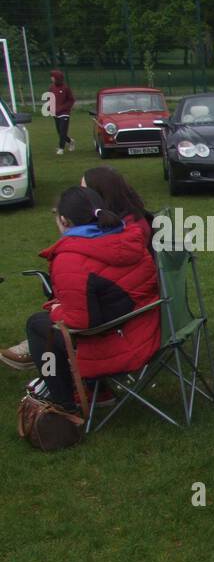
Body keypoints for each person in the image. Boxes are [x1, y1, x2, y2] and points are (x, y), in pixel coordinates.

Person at [11, 186, 159, 412]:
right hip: (148, 324)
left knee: (41, 327)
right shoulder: (128, 236)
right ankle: (96, 391)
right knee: (54, 324)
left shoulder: (71, 258)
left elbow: (80, 322)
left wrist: (56, 310)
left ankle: (63, 402)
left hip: (121, 342)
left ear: (64, 220)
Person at [49, 70, 76, 155]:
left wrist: (64, 108)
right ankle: (70, 141)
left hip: (64, 113)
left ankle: (61, 148)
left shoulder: (66, 88)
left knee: (63, 131)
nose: (51, 78)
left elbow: (71, 100)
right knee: (60, 132)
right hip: (55, 113)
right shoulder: (51, 87)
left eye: (53, 77)